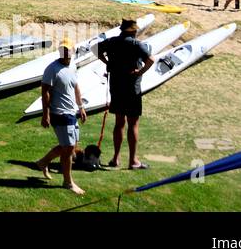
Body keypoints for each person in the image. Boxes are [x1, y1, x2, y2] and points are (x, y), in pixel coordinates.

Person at [97, 18, 154, 170]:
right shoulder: (136, 44)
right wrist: (139, 72)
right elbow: (150, 60)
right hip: (131, 88)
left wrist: (107, 62)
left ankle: (115, 158)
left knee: (119, 122)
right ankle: (133, 160)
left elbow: (95, 49)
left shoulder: (112, 41)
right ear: (134, 31)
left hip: (116, 86)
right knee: (133, 124)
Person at [36, 38, 86, 194]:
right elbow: (45, 92)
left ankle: (43, 162)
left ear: (72, 51)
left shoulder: (72, 66)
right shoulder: (52, 69)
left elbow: (75, 87)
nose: (64, 52)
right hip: (59, 113)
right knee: (68, 147)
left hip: (72, 112)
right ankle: (67, 182)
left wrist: (81, 107)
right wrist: (46, 114)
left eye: (67, 49)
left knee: (70, 146)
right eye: (62, 49)